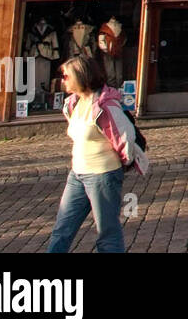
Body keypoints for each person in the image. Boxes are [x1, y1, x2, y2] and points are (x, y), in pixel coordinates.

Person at [46, 55, 146, 253]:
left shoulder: (105, 105)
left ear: (81, 76)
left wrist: (119, 166)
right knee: (62, 229)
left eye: (66, 76)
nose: (63, 79)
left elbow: (125, 138)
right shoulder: (72, 103)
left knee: (107, 233)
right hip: (77, 175)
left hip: (102, 175)